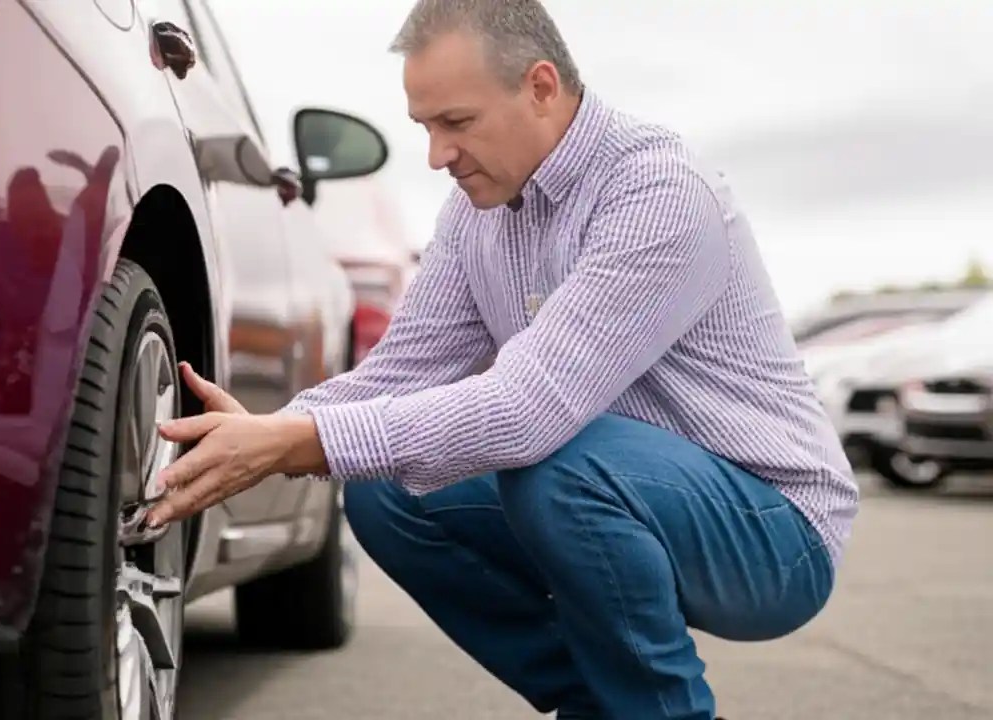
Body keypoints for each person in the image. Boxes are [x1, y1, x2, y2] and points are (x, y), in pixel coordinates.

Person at [145, 1, 860, 717]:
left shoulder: (658, 193)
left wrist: (300, 443)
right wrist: (275, 432)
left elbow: (525, 412)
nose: (437, 155)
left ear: (541, 87)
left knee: (558, 464)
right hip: (624, 489)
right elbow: (400, 374)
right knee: (391, 491)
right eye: (426, 128)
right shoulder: (475, 212)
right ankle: (603, 702)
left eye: (457, 123)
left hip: (773, 528)